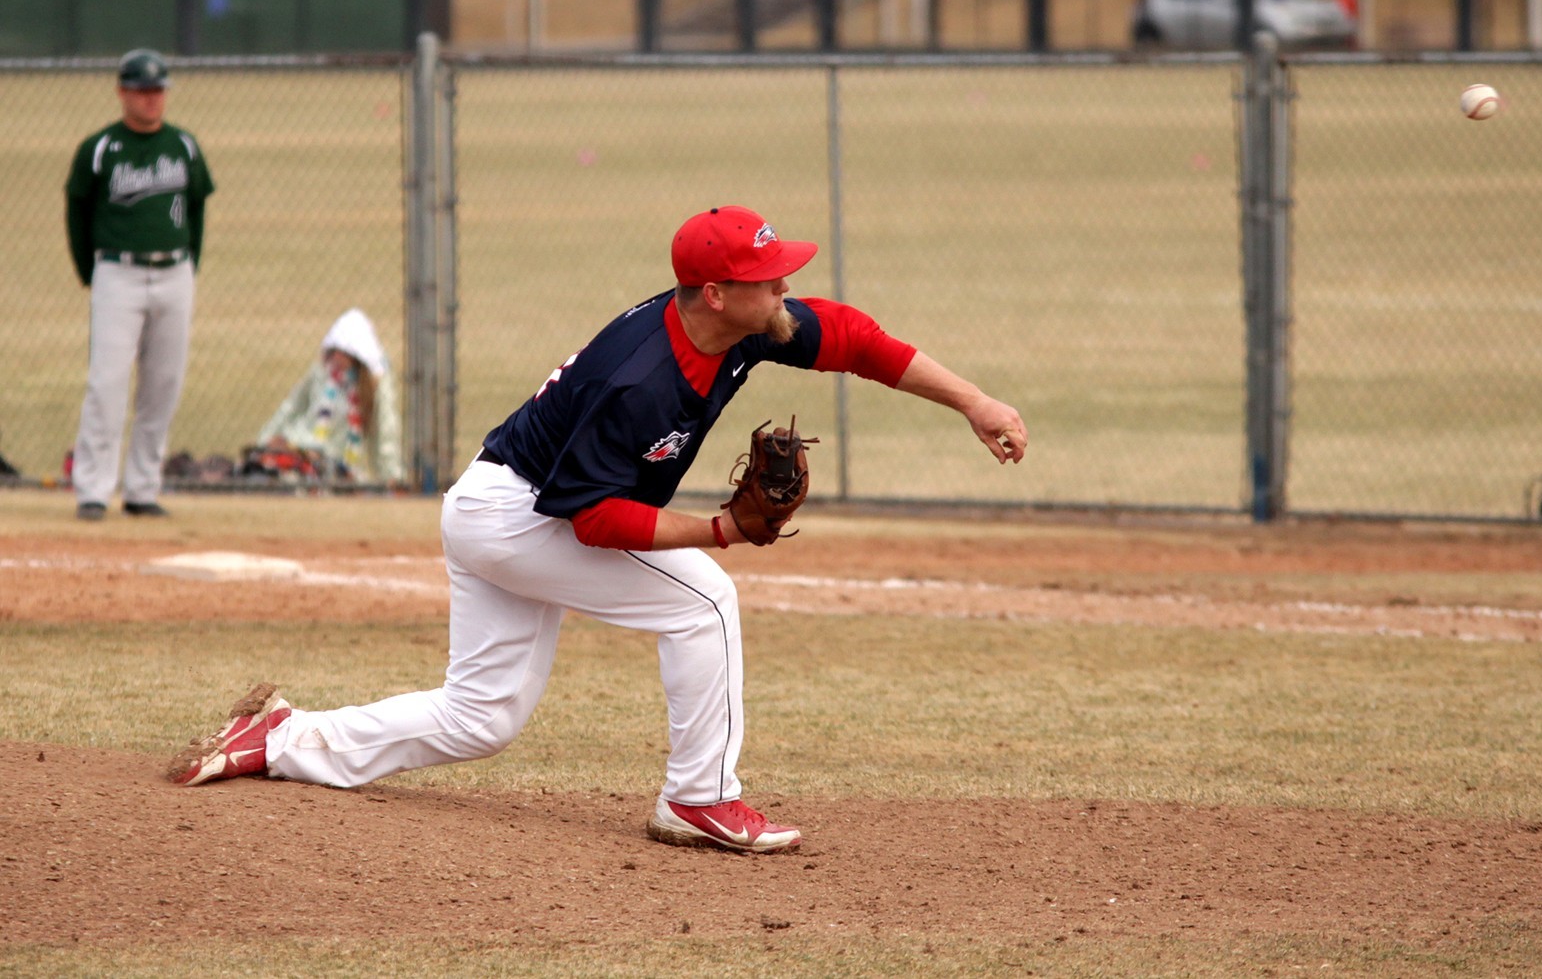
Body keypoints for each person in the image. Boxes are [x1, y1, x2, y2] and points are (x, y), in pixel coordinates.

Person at [166, 204, 1027, 854]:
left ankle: (283, 738)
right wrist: (723, 531)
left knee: (481, 718)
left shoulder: (740, 326)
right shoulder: (640, 382)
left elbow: (855, 339)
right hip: (516, 516)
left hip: (504, 503)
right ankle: (698, 798)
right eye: (769, 277)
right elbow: (595, 521)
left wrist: (974, 402)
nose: (785, 289)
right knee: (704, 602)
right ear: (716, 292)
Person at [66, 48, 216, 521]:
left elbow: (196, 210)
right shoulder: (100, 149)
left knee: (163, 385)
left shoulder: (184, 146)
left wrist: (188, 264)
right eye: (142, 90)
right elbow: (77, 212)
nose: (151, 98)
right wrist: (92, 272)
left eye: (158, 90)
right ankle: (93, 490)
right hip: (118, 272)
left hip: (174, 272)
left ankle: (142, 489)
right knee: (106, 384)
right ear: (122, 92)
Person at [255, 308, 402, 486]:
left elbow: (385, 434)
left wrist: (392, 477)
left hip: (337, 463)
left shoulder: (375, 385)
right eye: (332, 351)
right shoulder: (321, 372)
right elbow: (291, 407)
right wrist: (263, 442)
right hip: (299, 446)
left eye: (343, 352)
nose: (336, 358)